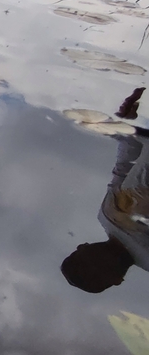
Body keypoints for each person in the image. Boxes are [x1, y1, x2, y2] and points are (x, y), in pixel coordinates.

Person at [61, 89, 149, 293]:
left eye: (83, 265)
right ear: (116, 280)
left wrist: (125, 128)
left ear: (82, 247)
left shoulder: (105, 216)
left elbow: (124, 165)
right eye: (95, 276)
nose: (94, 267)